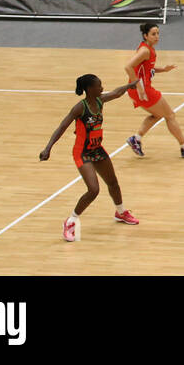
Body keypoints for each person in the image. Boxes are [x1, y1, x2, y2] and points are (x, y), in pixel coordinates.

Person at [39, 72, 140, 242]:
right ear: (89, 89)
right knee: (94, 190)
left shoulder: (100, 100)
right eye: (99, 85)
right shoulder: (80, 107)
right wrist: (48, 148)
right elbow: (62, 127)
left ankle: (121, 212)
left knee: (113, 183)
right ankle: (71, 221)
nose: (102, 87)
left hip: (97, 149)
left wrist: (129, 86)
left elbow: (116, 93)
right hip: (82, 152)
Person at [124, 23, 184, 159]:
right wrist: (140, 88)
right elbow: (128, 67)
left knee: (158, 115)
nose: (157, 37)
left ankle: (136, 139)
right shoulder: (145, 51)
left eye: (158, 33)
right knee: (170, 115)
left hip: (137, 90)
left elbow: (145, 69)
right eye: (153, 34)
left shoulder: (148, 49)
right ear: (145, 36)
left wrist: (162, 69)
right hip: (143, 90)